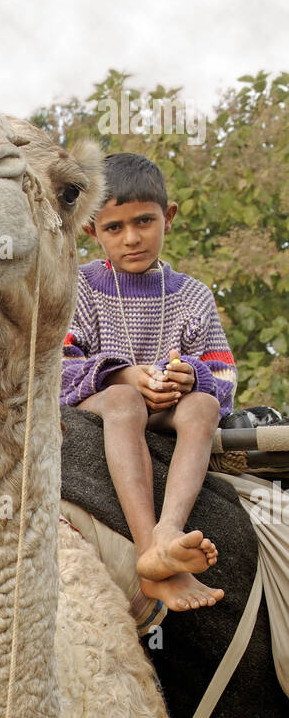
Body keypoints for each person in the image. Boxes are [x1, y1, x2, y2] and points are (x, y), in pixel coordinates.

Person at [61, 153, 237, 612]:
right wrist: (121, 374)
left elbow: (223, 379)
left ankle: (168, 531)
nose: (132, 238)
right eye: (114, 227)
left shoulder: (193, 294)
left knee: (202, 407)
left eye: (144, 221)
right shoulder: (78, 287)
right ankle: (148, 553)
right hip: (104, 406)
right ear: (91, 231)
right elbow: (55, 368)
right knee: (124, 400)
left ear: (169, 216)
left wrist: (190, 376)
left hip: (169, 409)